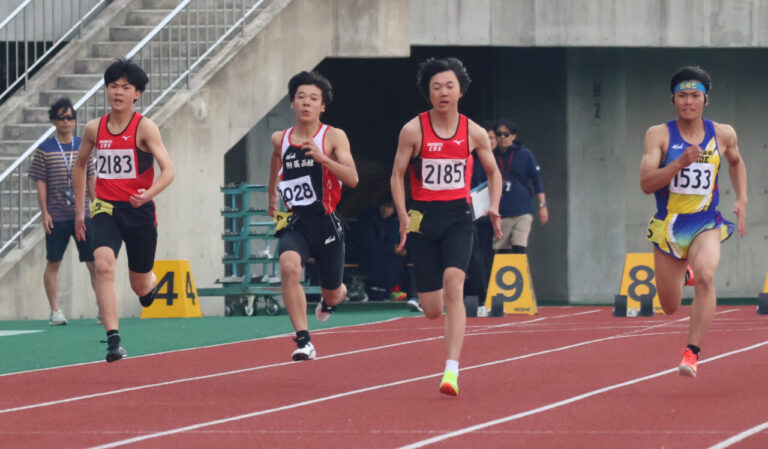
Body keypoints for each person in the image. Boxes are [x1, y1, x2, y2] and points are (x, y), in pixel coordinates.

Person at [390, 57, 502, 396]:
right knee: (431, 309)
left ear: (461, 91)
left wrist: (494, 207)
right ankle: (434, 306)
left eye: (449, 86)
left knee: (455, 284)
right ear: (428, 92)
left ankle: (451, 370)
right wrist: (402, 215)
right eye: (436, 87)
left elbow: (494, 172)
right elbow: (396, 174)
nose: (443, 92)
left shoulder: (473, 132)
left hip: (458, 218)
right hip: (423, 220)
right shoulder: (413, 130)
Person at [640, 66, 747, 378]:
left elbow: (737, 163)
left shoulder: (723, 134)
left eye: (695, 96)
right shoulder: (658, 134)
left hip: (706, 223)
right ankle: (684, 270)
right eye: (682, 95)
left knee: (707, 276)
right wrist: (678, 163)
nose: (689, 101)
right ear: (673, 99)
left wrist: (741, 199)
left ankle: (692, 352)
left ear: (706, 100)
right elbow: (646, 184)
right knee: (670, 305)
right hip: (669, 226)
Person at [72, 58, 175, 362]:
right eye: (113, 86)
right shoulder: (95, 129)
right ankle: (114, 340)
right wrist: (81, 209)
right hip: (105, 208)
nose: (118, 92)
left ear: (136, 94)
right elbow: (79, 165)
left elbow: (168, 170)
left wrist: (148, 194)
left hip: (139, 211)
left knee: (139, 284)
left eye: (125, 87)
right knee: (103, 265)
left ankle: (150, 285)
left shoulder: (145, 128)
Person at [267, 70, 358, 361]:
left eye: (313, 99)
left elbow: (353, 178)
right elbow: (276, 160)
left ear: (322, 106)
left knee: (332, 292)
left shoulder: (332, 136)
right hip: (295, 222)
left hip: (327, 222)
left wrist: (323, 158)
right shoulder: (280, 138)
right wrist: (272, 193)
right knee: (289, 266)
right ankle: (304, 340)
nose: (306, 103)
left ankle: (332, 299)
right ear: (292, 104)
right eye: (301, 97)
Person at [28, 98, 98, 325]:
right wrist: (44, 213)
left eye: (70, 117)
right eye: (61, 118)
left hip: (83, 215)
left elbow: (91, 177)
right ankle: (55, 311)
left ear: (75, 120)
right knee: (53, 262)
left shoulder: (83, 145)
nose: (66, 122)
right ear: (53, 121)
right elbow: (41, 182)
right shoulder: (44, 149)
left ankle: (103, 308)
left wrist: (95, 205)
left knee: (93, 262)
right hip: (56, 215)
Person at [493, 119, 549, 254]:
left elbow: (536, 181)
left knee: (519, 247)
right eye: (499, 133)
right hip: (501, 212)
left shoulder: (525, 154)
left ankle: (520, 275)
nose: (502, 137)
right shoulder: (491, 155)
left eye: (506, 134)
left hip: (523, 210)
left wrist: (543, 206)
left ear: (513, 136)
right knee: (501, 250)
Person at [353, 196, 409, 301]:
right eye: (383, 205)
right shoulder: (369, 220)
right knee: (387, 259)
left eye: (389, 207)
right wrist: (391, 248)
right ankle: (388, 290)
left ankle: (396, 290)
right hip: (367, 254)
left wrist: (401, 249)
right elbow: (368, 243)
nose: (385, 209)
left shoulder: (395, 221)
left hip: (387, 254)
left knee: (397, 260)